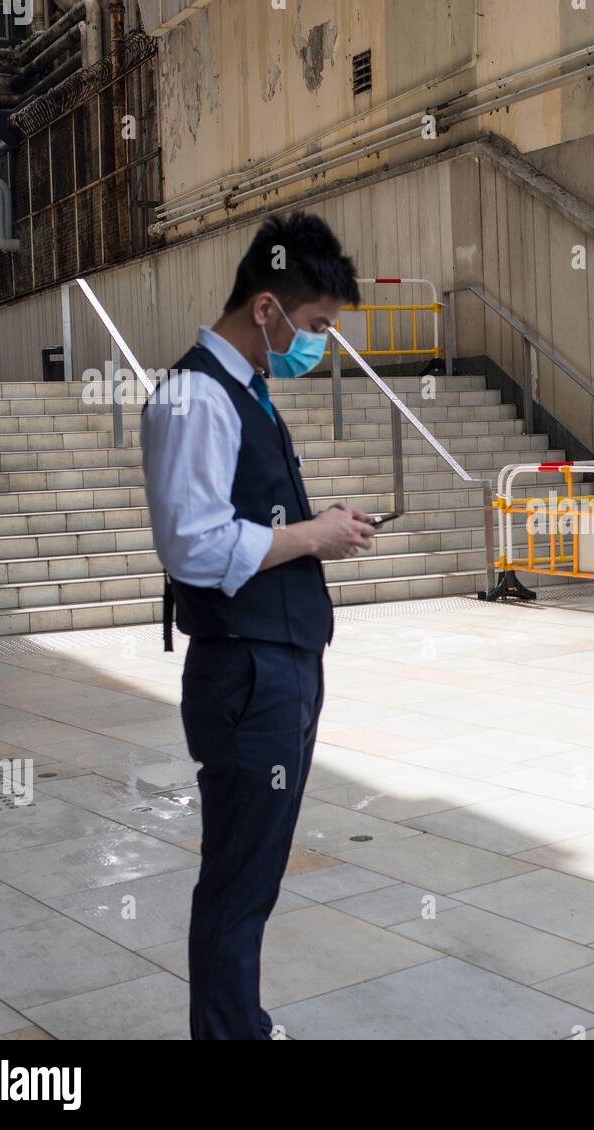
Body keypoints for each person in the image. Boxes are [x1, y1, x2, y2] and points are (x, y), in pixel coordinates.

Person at [142, 212, 376, 1040]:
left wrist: (321, 526)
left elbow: (248, 520)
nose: (319, 345)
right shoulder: (195, 396)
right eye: (314, 326)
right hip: (246, 672)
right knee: (238, 882)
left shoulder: (246, 391)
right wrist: (313, 535)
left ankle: (238, 1022)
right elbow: (193, 544)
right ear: (268, 308)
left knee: (254, 875)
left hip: (279, 663)